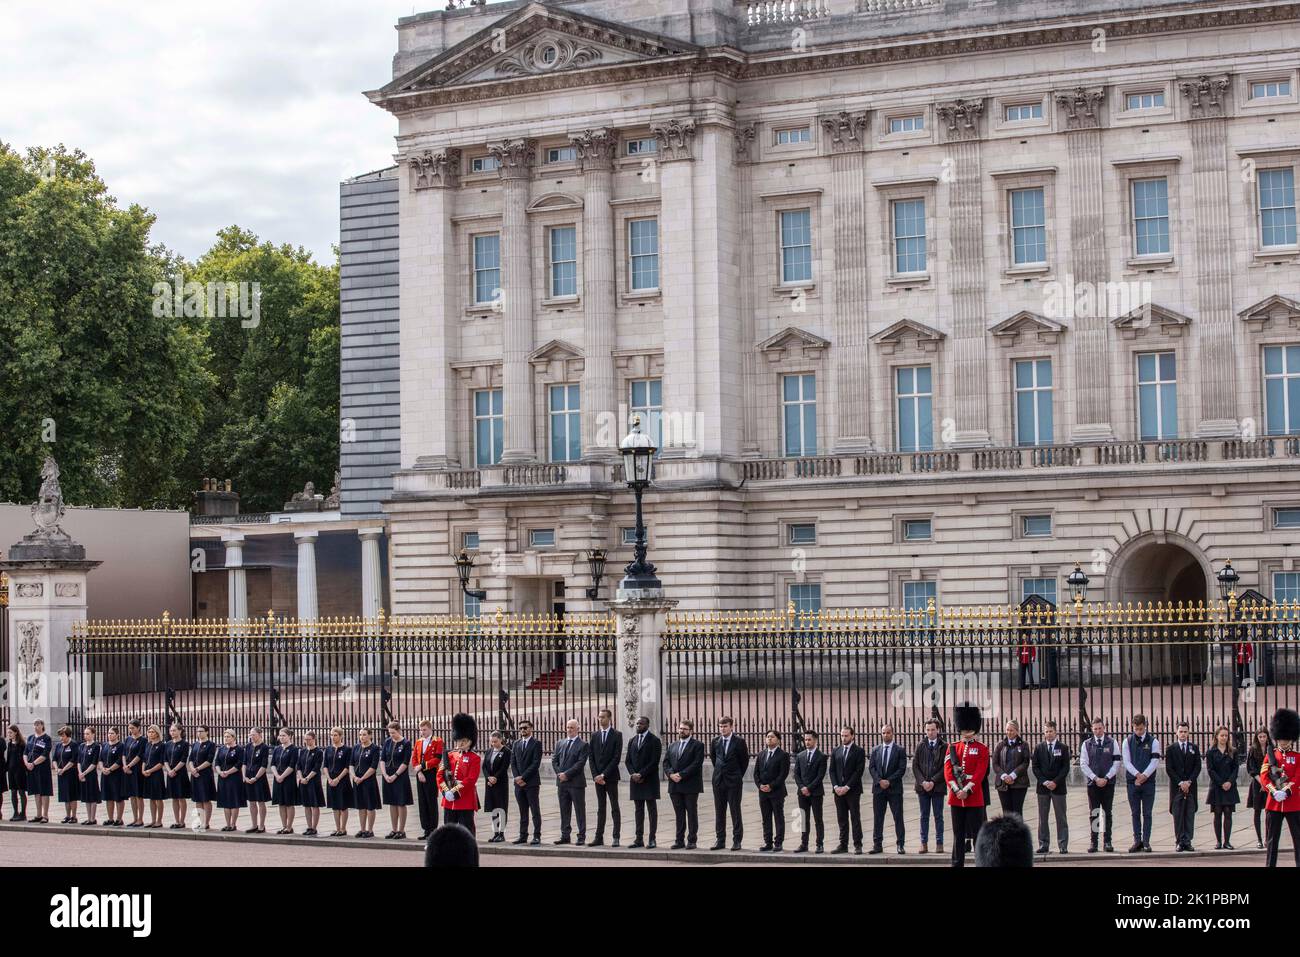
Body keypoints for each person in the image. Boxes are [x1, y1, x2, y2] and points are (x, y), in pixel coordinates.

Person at [944, 704, 990, 868]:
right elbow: (948, 772)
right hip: (956, 798)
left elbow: (980, 773)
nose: (967, 731)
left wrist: (967, 789)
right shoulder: (953, 747)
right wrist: (957, 790)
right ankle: (957, 863)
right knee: (958, 834)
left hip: (974, 796)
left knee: (978, 834)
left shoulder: (982, 749)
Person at [1261, 707, 1300, 868]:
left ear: (1292, 739)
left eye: (1287, 739)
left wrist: (1287, 790)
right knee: (1272, 840)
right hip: (1274, 803)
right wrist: (1274, 790)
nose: (1284, 741)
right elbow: (1264, 776)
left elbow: (1298, 777)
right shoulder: (1271, 756)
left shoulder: (1297, 757)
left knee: (1298, 840)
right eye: (1281, 739)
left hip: (1293, 804)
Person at [709, 716, 749, 851]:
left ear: (731, 726)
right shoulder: (715, 741)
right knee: (719, 811)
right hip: (719, 780)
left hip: (734, 781)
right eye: (720, 726)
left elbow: (744, 761)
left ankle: (737, 840)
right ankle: (720, 839)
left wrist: (736, 775)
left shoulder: (739, 742)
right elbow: (714, 759)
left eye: (725, 726)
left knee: (735, 810)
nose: (722, 729)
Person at [1122, 714, 1161, 852]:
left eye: (1141, 728)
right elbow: (1126, 761)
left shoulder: (1153, 741)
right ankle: (1137, 840)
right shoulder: (1127, 741)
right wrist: (1137, 775)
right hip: (1133, 782)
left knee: (1147, 813)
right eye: (1136, 729)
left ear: (1145, 726)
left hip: (1148, 782)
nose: (1138, 731)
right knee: (1135, 812)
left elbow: (1155, 760)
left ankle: (1146, 841)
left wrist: (1144, 775)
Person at [1079, 717, 1118, 852]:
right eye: (1095, 729)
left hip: (1108, 783)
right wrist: (1095, 778)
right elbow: (1083, 764)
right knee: (1095, 813)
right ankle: (1094, 842)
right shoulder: (1087, 744)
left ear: (1104, 728)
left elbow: (1117, 762)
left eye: (1100, 728)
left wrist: (1106, 778)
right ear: (1092, 730)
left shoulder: (1112, 743)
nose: (1098, 731)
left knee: (1107, 812)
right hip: (1093, 784)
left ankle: (1107, 841)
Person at [664, 720, 704, 849]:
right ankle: (679, 840)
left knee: (691, 813)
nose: (682, 731)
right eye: (680, 728)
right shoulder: (672, 745)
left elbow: (696, 764)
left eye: (685, 729)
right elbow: (666, 762)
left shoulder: (698, 745)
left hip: (690, 785)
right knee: (679, 814)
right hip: (674, 785)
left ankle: (692, 840)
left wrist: (681, 774)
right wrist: (671, 774)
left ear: (691, 731)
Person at [437, 713, 481, 833]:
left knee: (466, 831)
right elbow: (440, 776)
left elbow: (471, 779)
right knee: (448, 831)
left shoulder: (475, 758)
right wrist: (445, 791)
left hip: (465, 800)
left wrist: (455, 791)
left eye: (464, 741)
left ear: (470, 741)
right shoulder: (450, 755)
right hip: (449, 800)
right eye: (459, 740)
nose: (460, 743)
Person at [1031, 721, 1069, 854]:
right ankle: (1043, 844)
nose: (1048, 734)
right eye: (1046, 731)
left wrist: (1055, 782)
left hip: (1058, 788)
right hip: (1043, 788)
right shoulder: (1039, 747)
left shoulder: (1063, 748)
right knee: (1043, 818)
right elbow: (1035, 767)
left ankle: (1063, 844)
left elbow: (1065, 768)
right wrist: (1044, 781)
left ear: (1055, 732)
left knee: (1061, 817)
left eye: (1051, 731)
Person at [869, 723, 907, 854]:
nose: (886, 735)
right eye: (884, 732)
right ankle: (877, 844)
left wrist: (889, 781)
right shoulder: (875, 750)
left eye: (888, 732)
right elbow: (872, 768)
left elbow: (901, 769)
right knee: (878, 817)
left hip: (894, 789)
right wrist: (879, 781)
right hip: (878, 789)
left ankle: (900, 844)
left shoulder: (900, 750)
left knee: (898, 817)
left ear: (893, 733)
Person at [625, 715, 661, 848]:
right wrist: (633, 773)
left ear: (647, 725)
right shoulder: (632, 740)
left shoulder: (654, 740)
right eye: (637, 724)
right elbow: (628, 760)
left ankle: (652, 838)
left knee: (651, 810)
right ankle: (638, 838)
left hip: (649, 780)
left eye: (641, 724)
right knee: (638, 810)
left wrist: (642, 774)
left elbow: (654, 762)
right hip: (635, 780)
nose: (638, 726)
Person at [589, 708, 623, 847]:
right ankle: (599, 837)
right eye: (599, 717)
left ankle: (616, 837)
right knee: (601, 808)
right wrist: (596, 775)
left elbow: (616, 757)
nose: (600, 719)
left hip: (611, 777)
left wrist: (604, 774)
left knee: (614, 806)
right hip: (598, 778)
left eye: (603, 717)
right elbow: (591, 756)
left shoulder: (617, 735)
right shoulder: (594, 735)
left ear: (609, 718)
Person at [911, 718, 946, 854]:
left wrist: (933, 781)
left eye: (932, 730)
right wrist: (923, 782)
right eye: (928, 730)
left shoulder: (944, 746)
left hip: (937, 787)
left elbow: (945, 768)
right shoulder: (920, 745)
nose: (930, 732)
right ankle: (923, 843)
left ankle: (939, 843)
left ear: (938, 730)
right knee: (923, 816)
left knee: (938, 816)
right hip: (922, 788)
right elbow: (915, 766)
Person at [552, 718, 589, 845]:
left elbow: (580, 763)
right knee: (564, 810)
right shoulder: (560, 743)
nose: (569, 730)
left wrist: (567, 774)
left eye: (572, 727)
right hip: (562, 783)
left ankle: (581, 836)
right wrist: (559, 774)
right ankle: (565, 835)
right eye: (568, 727)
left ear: (578, 729)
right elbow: (554, 760)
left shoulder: (583, 745)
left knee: (579, 810)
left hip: (576, 783)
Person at [829, 725, 865, 854]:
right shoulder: (836, 751)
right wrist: (836, 786)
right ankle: (843, 844)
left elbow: (858, 771)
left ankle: (857, 844)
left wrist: (847, 787)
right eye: (842, 735)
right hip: (838, 791)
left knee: (855, 817)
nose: (843, 738)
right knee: (841, 818)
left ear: (852, 736)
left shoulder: (859, 751)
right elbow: (832, 770)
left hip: (853, 790)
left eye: (846, 735)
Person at [1166, 720, 1200, 852]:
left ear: (1189, 733)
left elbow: (1197, 767)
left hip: (1190, 787)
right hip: (1177, 787)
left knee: (1189, 814)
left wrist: (1189, 782)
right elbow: (1169, 768)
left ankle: (1188, 840)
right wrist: (1180, 782)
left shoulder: (1194, 748)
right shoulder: (1171, 749)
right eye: (1181, 731)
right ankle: (1179, 840)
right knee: (1178, 814)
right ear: (1176, 732)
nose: (1183, 734)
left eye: (1185, 732)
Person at [754, 729, 789, 853]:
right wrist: (760, 785)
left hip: (776, 792)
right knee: (766, 817)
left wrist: (771, 786)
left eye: (772, 737)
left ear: (778, 740)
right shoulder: (761, 754)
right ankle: (767, 842)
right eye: (768, 737)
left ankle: (778, 842)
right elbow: (756, 773)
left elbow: (782, 774)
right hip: (763, 792)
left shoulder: (783, 755)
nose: (769, 739)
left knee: (778, 817)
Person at [1205, 725, 1239, 850]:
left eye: (1226, 735)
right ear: (1217, 736)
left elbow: (1236, 768)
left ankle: (1227, 841)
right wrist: (1221, 783)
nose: (1224, 738)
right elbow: (1210, 770)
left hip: (1230, 787)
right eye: (1222, 735)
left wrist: (1229, 782)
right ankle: (1218, 841)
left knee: (1228, 813)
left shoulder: (1232, 751)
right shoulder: (1211, 752)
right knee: (1217, 813)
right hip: (1217, 787)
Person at [793, 731, 827, 853]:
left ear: (815, 740)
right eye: (805, 740)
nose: (807, 742)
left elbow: (820, 776)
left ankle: (819, 844)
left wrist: (809, 788)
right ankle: (804, 844)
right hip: (802, 793)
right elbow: (796, 774)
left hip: (816, 793)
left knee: (818, 819)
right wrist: (802, 787)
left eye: (809, 740)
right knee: (803, 819)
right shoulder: (800, 755)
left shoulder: (822, 756)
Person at [510, 719, 542, 845]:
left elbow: (535, 763)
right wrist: (517, 777)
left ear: (531, 728)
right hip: (518, 784)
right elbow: (513, 762)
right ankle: (523, 835)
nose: (523, 730)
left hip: (531, 783)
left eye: (525, 728)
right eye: (521, 728)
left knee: (535, 810)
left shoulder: (536, 744)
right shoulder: (516, 743)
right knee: (522, 811)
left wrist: (523, 777)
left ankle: (537, 835)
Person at [411, 719, 444, 840]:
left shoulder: (437, 740)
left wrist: (423, 766)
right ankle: (425, 828)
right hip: (420, 773)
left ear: (430, 729)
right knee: (422, 801)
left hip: (430, 772)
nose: (422, 732)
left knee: (431, 800)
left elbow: (437, 758)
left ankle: (433, 829)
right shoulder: (419, 742)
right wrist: (419, 771)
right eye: (421, 730)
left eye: (424, 730)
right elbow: (414, 757)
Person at [380, 721, 412, 839]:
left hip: (400, 776)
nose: (391, 735)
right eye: (390, 733)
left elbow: (405, 762)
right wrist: (384, 774)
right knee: (392, 803)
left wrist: (395, 775)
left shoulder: (406, 743)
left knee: (401, 802)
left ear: (399, 731)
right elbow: (382, 759)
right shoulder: (388, 742)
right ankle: (394, 829)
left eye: (393, 733)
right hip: (387, 775)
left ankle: (401, 830)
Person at [992, 720, 1031, 816]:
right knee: (1006, 812)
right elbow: (995, 764)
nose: (1009, 732)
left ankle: (1018, 831)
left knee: (1017, 812)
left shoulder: (1024, 745)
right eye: (1007, 730)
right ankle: (1008, 831)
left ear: (1017, 731)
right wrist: (1004, 776)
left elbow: (1025, 762)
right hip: (1003, 784)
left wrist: (1013, 775)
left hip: (1019, 784)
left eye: (1012, 730)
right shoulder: (1000, 745)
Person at [481, 730, 511, 843]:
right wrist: (488, 777)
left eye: (495, 741)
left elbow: (504, 767)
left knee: (501, 808)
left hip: (500, 784)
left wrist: (495, 778)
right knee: (494, 809)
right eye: (491, 742)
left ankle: (501, 833)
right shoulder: (489, 751)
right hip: (490, 784)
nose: (493, 744)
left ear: (501, 739)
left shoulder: (506, 751)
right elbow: (484, 766)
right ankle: (495, 833)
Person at [351, 728, 381, 838]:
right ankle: (362, 829)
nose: (362, 737)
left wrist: (362, 778)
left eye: (364, 735)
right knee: (361, 805)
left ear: (370, 735)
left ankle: (370, 829)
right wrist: (354, 776)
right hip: (357, 780)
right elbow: (351, 764)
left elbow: (373, 767)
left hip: (368, 781)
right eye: (360, 735)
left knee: (370, 805)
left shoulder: (374, 748)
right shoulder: (356, 748)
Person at [324, 726, 354, 837]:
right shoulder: (328, 749)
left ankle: (343, 828)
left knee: (343, 805)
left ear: (341, 736)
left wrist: (337, 779)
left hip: (342, 780)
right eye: (331, 735)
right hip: (330, 780)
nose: (333, 737)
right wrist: (329, 778)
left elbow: (347, 767)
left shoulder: (347, 750)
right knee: (335, 806)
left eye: (335, 735)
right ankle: (337, 828)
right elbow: (325, 765)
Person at [215, 729, 246, 832]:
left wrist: (227, 772)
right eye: (225, 737)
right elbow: (217, 762)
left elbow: (239, 764)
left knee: (233, 801)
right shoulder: (221, 749)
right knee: (225, 801)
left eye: (228, 737)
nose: (226, 738)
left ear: (233, 737)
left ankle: (233, 824)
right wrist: (220, 772)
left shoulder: (239, 749)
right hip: (222, 778)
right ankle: (227, 824)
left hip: (234, 778)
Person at [271, 727, 300, 834]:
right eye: (280, 735)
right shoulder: (277, 749)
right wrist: (277, 775)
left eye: (284, 735)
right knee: (281, 803)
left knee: (289, 803)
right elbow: (273, 764)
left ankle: (289, 826)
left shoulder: (294, 749)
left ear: (289, 736)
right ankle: (283, 826)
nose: (281, 737)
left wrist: (282, 776)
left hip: (288, 780)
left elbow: (292, 765)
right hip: (277, 779)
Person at [1246, 727, 1271, 849]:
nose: (1262, 739)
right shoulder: (1253, 749)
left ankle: (1267, 838)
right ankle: (1259, 839)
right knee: (1257, 811)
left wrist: (1266, 782)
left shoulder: (1271, 749)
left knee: (1269, 811)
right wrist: (1261, 781)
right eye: (1260, 737)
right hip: (1257, 783)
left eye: (1264, 736)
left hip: (1269, 784)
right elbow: (1250, 768)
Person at [242, 727, 271, 833]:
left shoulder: (264, 747)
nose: (251, 737)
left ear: (260, 734)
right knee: (252, 802)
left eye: (253, 734)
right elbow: (244, 762)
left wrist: (256, 777)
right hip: (248, 777)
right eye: (250, 735)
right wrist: (244, 776)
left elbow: (264, 765)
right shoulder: (248, 746)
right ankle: (254, 824)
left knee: (261, 802)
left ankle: (262, 825)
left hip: (258, 778)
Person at [23, 719, 53, 823]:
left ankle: (45, 815)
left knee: (44, 791)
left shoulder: (46, 738)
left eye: (38, 725)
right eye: (34, 725)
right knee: (36, 791)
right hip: (32, 769)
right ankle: (38, 814)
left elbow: (45, 754)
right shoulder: (30, 738)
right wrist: (27, 763)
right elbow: (25, 752)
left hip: (42, 769)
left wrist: (34, 763)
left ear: (42, 726)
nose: (36, 727)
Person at [188, 726, 216, 831]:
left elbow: (209, 760)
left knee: (206, 799)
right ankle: (200, 821)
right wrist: (192, 769)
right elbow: (190, 759)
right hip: (195, 774)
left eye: (201, 731)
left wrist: (197, 769)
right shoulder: (195, 744)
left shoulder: (211, 745)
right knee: (198, 799)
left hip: (205, 774)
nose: (199, 733)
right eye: (197, 731)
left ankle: (206, 822)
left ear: (207, 732)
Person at [297, 730, 325, 836]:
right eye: (305, 739)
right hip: (303, 781)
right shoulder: (303, 751)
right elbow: (298, 766)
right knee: (306, 805)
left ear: (314, 739)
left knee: (314, 804)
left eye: (309, 739)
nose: (307, 741)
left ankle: (314, 827)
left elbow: (317, 767)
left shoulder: (318, 752)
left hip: (313, 781)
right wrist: (301, 778)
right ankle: (309, 826)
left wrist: (307, 778)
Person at [164, 723, 190, 829]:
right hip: (170, 774)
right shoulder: (168, 744)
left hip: (180, 773)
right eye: (171, 731)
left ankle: (182, 821)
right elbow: (165, 759)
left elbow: (183, 760)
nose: (172, 732)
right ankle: (176, 820)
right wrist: (169, 770)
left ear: (180, 731)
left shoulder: (184, 744)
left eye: (174, 730)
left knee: (181, 797)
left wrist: (174, 769)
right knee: (174, 798)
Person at [140, 725, 167, 828]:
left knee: (158, 798)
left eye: (152, 732)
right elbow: (144, 759)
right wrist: (143, 770)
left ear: (157, 733)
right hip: (147, 774)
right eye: (149, 732)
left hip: (156, 774)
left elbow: (161, 762)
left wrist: (150, 770)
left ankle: (159, 821)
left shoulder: (161, 745)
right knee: (151, 798)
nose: (150, 734)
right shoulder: (148, 745)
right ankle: (153, 820)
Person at [99, 726, 126, 827]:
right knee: (108, 797)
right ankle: (110, 818)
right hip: (105, 774)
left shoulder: (121, 746)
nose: (110, 735)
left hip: (116, 775)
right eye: (109, 733)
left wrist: (110, 769)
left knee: (118, 797)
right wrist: (102, 769)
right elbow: (100, 759)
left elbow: (120, 761)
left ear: (117, 734)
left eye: (112, 733)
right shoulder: (105, 745)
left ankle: (119, 819)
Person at [75, 726, 101, 825]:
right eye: (85, 734)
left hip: (91, 775)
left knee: (92, 796)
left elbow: (94, 763)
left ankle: (92, 818)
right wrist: (80, 773)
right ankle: (88, 817)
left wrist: (85, 773)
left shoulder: (96, 746)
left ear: (93, 734)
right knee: (86, 797)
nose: (86, 735)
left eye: (88, 734)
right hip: (82, 774)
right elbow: (79, 761)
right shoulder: (82, 746)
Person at [53, 726, 78, 824]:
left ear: (68, 735)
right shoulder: (59, 745)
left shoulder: (73, 745)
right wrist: (56, 768)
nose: (61, 738)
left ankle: (74, 816)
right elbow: (54, 758)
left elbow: (73, 760)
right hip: (61, 773)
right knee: (65, 796)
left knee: (72, 795)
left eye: (63, 736)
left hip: (70, 773)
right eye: (60, 736)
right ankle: (67, 815)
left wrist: (64, 769)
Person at [122, 719, 144, 827]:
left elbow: (140, 755)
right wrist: (125, 765)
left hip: (137, 770)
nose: (131, 730)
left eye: (133, 728)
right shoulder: (127, 739)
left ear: (138, 728)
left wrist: (130, 765)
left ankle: (140, 819)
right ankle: (134, 818)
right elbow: (124, 754)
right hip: (127, 770)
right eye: (129, 728)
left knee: (138, 795)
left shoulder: (143, 740)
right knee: (131, 795)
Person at [6, 724, 28, 820]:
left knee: (21, 792)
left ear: (16, 732)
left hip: (20, 771)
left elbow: (24, 757)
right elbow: (9, 757)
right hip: (11, 771)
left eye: (10, 732)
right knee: (13, 792)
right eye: (8, 733)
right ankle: (15, 812)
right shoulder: (10, 744)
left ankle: (23, 814)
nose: (9, 734)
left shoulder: (22, 744)